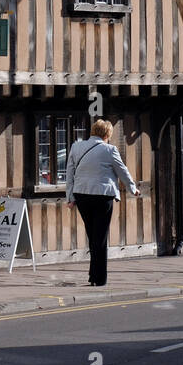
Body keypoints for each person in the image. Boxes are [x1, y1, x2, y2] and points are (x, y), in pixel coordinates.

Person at [65, 119, 140, 286]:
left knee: (92, 235)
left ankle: (93, 275)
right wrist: (132, 188)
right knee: (101, 237)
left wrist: (70, 197)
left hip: (82, 194)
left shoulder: (76, 147)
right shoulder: (110, 150)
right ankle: (99, 278)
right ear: (107, 134)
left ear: (93, 131)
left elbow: (70, 172)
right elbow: (122, 171)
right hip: (102, 195)